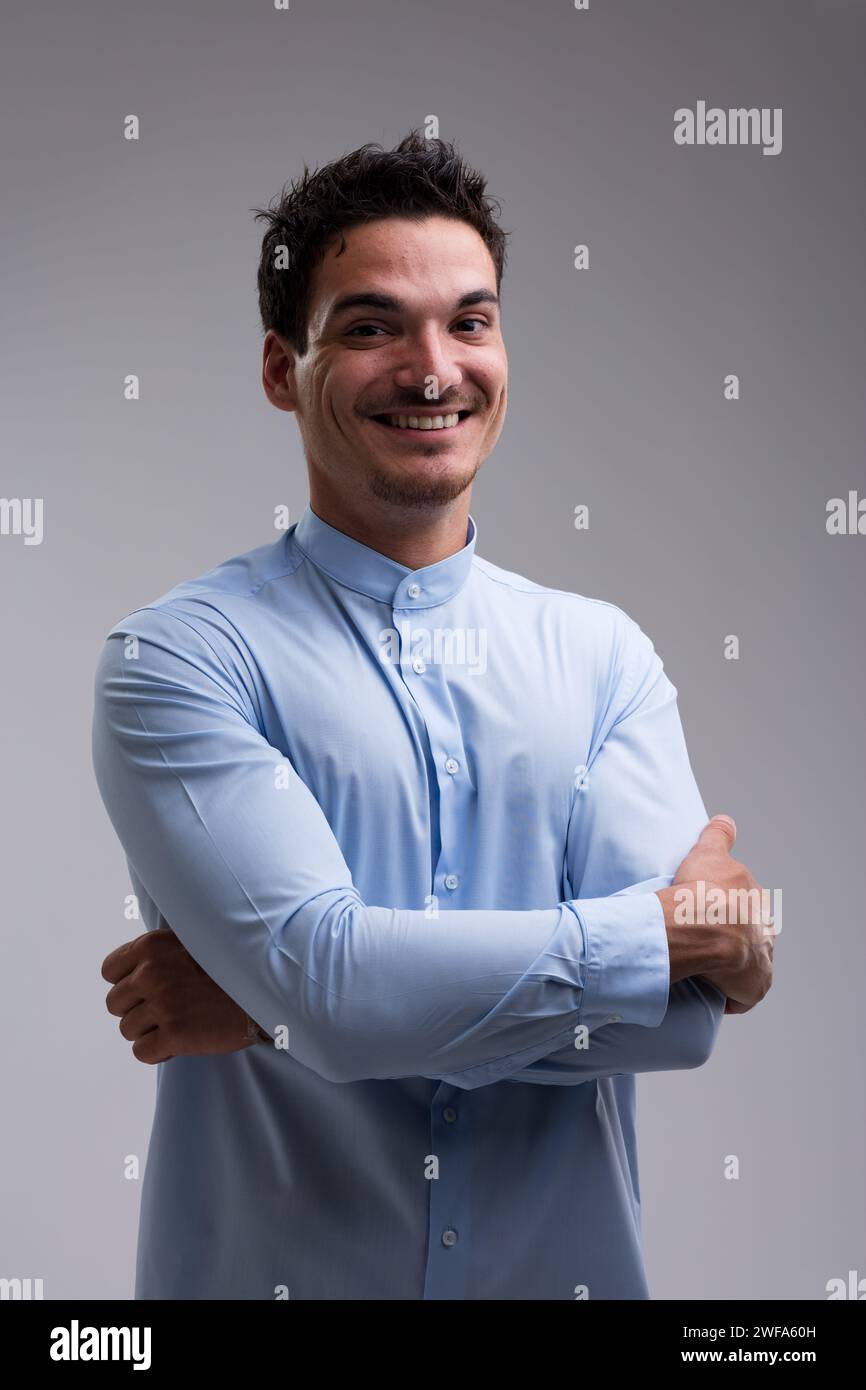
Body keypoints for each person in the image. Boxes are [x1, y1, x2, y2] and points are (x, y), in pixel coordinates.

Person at [92, 131, 773, 1301]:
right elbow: (340, 988)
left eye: (468, 321)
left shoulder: (601, 656)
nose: (431, 368)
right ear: (278, 367)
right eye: (369, 327)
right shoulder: (181, 659)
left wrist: (266, 1009)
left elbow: (678, 1029)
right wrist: (657, 938)